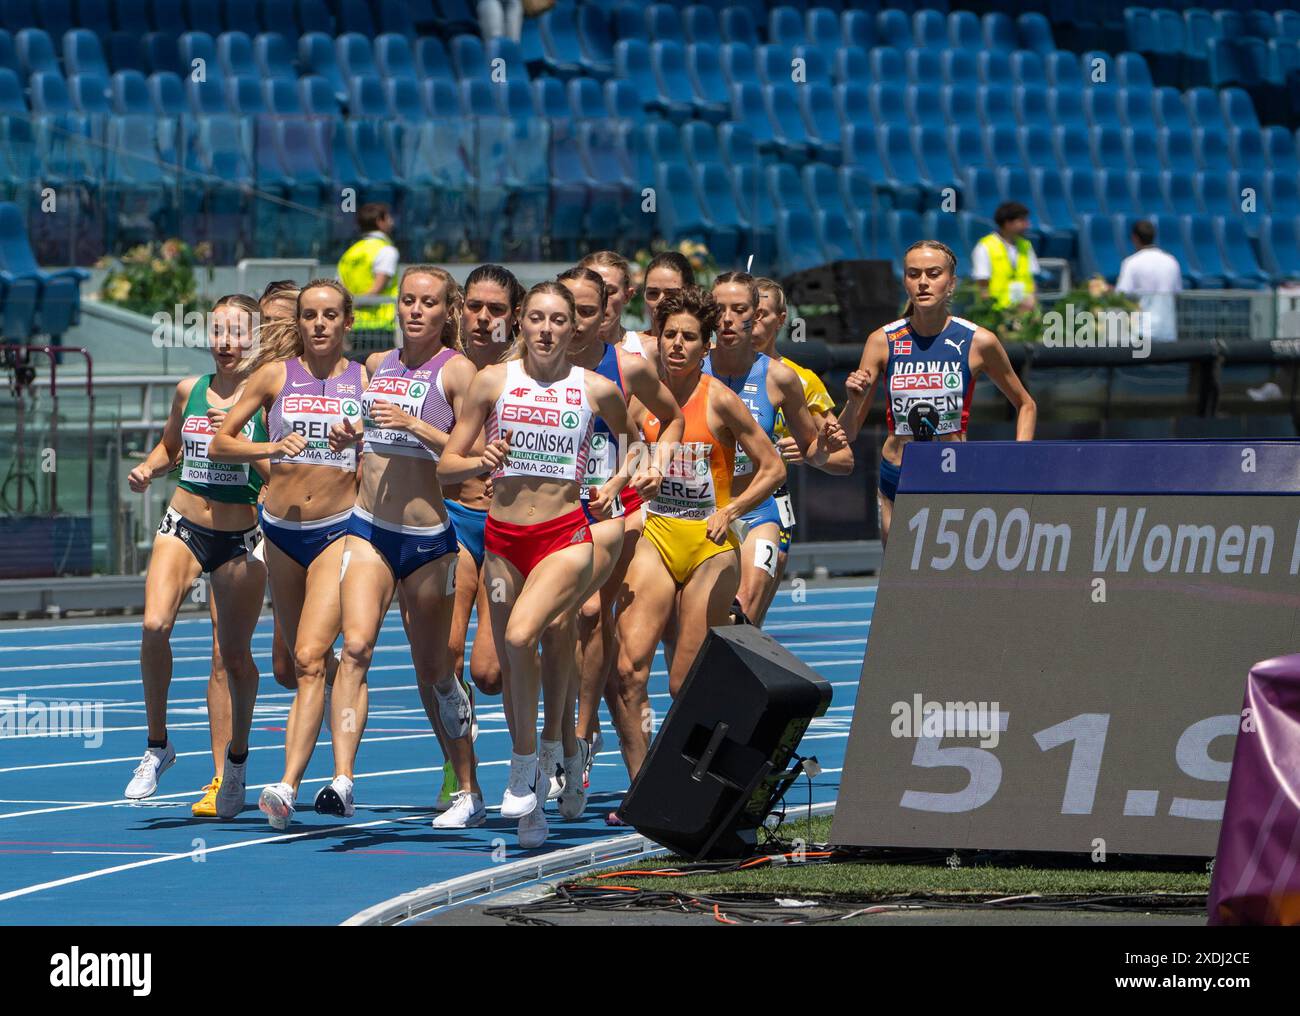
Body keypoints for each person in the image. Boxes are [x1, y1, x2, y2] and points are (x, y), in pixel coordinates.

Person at [438, 281, 646, 848]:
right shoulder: (492, 382)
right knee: (518, 652)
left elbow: (640, 446)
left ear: (571, 328)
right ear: (521, 325)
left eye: (559, 320)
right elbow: (446, 466)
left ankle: (526, 763)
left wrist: (619, 483)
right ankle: (554, 767)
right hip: (505, 537)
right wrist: (478, 458)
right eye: (537, 319)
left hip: (566, 535)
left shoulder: (597, 388)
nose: (548, 329)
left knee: (524, 633)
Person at [320, 266, 483, 827]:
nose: (415, 311)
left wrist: (417, 426)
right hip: (369, 527)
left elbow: (475, 458)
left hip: (429, 540)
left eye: (428, 303)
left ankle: (467, 787)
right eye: (407, 301)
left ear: (447, 312)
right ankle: (343, 779)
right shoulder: (376, 366)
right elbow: (369, 433)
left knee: (436, 668)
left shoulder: (458, 372)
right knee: (357, 648)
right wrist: (353, 435)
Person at [613, 285, 786, 786]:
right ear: (658, 338)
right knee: (629, 670)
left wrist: (731, 509)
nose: (678, 346)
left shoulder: (721, 400)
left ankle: (695, 777)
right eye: (669, 335)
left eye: (690, 337)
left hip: (710, 544)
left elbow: (772, 467)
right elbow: (624, 453)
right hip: (657, 533)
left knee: (683, 678)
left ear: (705, 346)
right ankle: (641, 785)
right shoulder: (639, 396)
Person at [210, 279, 365, 830]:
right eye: (309, 315)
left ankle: (290, 784)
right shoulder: (274, 376)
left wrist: (360, 443)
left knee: (307, 658)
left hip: (338, 530)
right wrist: (269, 446)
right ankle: (339, 762)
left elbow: (391, 452)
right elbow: (220, 441)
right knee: (294, 665)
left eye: (330, 315)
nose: (319, 324)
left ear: (348, 322)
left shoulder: (366, 380)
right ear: (297, 323)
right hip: (279, 530)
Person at [124, 295, 269, 821]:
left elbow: (284, 471)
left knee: (232, 657)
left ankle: (235, 761)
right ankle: (158, 744)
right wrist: (148, 468)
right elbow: (170, 449)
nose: (227, 343)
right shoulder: (190, 390)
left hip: (239, 538)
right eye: (219, 332)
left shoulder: (268, 400)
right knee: (155, 624)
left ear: (256, 338)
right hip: (183, 523)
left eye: (238, 333)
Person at [550, 265, 682, 810]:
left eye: (587, 311)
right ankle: (557, 737)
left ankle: (577, 741)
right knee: (510, 652)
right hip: (546, 511)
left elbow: (669, 421)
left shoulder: (627, 367)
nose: (577, 324)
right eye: (568, 313)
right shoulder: (529, 369)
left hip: (613, 508)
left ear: (606, 311)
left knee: (587, 615)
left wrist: (650, 464)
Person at [838, 240, 1037, 545]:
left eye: (933, 274)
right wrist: (852, 402)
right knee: (900, 579)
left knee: (949, 580)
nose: (923, 283)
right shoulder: (882, 341)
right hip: (898, 473)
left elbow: (1026, 404)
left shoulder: (977, 341)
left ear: (951, 283)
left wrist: (1020, 460)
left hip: (953, 472)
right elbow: (848, 432)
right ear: (904, 281)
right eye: (913, 274)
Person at [705, 272, 852, 626]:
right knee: (699, 625)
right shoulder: (692, 367)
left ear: (758, 316)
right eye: (720, 309)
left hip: (759, 510)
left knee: (744, 611)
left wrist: (819, 450)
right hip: (700, 509)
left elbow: (824, 454)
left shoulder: (786, 378)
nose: (728, 318)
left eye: (739, 309)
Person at [442, 264, 523, 811]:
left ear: (513, 317)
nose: (483, 318)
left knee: (489, 673)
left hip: (510, 528)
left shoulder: (527, 373)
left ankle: (545, 746)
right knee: (442, 657)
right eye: (474, 306)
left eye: (495, 309)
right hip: (451, 519)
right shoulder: (441, 368)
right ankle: (463, 780)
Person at [749, 277, 840, 626]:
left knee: (747, 611)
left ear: (782, 318)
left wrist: (810, 451)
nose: (752, 321)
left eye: (762, 313)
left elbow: (843, 459)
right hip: (714, 499)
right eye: (745, 311)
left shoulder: (800, 380)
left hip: (771, 504)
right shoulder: (708, 370)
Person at [1115, 220, 1182, 343]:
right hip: (1167, 331)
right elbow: (1177, 293)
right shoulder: (1172, 261)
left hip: (1142, 331)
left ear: (1134, 238)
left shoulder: (1131, 263)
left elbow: (1121, 295)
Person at [338, 203, 399, 337]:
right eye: (388, 218)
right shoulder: (386, 251)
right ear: (379, 221)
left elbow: (340, 290)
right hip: (380, 325)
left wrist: (351, 307)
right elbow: (377, 289)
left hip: (354, 324)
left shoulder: (349, 253)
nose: (391, 222)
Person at [622, 251, 695, 360]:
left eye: (671, 294)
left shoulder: (708, 356)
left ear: (691, 295)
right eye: (653, 293)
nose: (661, 301)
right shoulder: (625, 349)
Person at [971, 202, 1040, 311]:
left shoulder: (1026, 246)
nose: (1027, 225)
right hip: (997, 314)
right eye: (1022, 221)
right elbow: (983, 287)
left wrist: (1033, 304)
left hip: (1025, 313)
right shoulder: (985, 246)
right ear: (1008, 223)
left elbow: (1032, 281)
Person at [578, 251, 642, 354]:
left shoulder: (648, 351)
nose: (600, 300)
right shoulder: (559, 353)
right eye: (591, 291)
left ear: (627, 296)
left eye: (610, 292)